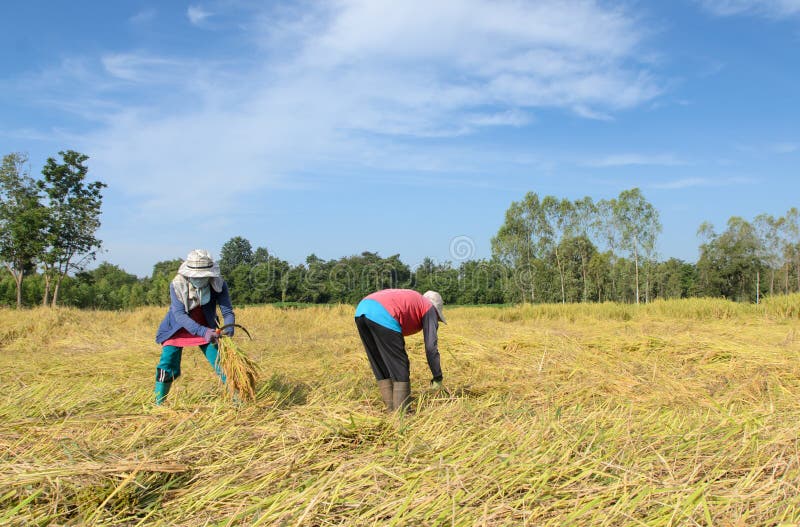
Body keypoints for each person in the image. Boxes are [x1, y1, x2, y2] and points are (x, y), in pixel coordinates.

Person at [153, 249, 235, 404]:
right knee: (167, 362)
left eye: (203, 277)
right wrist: (202, 331)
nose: (199, 279)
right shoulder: (177, 284)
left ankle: (238, 399)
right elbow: (179, 315)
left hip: (207, 326)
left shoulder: (218, 284)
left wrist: (229, 327)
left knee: (221, 362)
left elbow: (227, 310)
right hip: (178, 328)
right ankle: (159, 402)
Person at [354, 289, 446, 412]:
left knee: (379, 361)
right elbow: (431, 348)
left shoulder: (414, 300)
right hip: (384, 313)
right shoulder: (429, 308)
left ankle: (391, 409)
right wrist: (437, 376)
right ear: (436, 309)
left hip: (362, 309)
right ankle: (402, 414)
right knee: (400, 364)